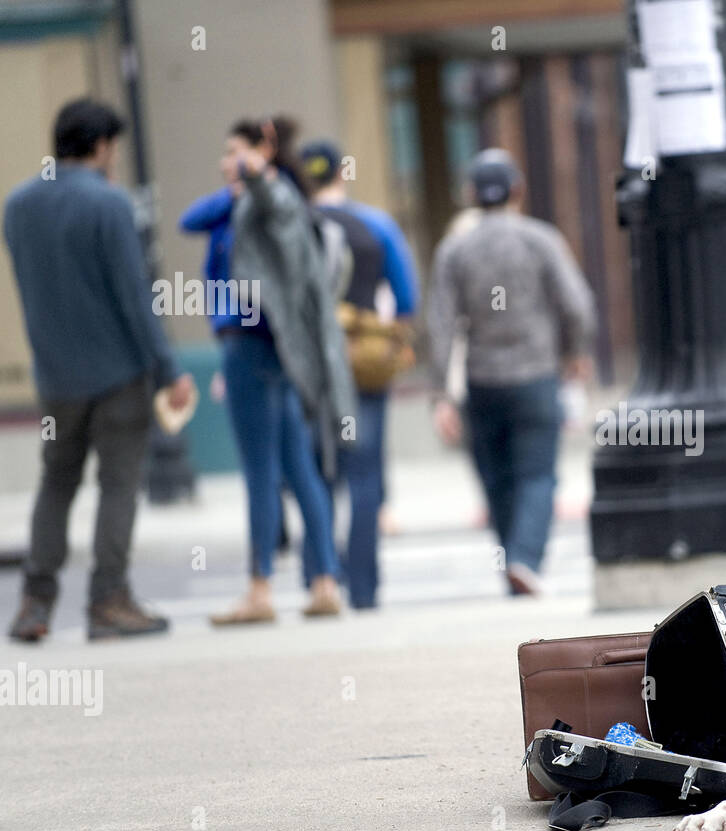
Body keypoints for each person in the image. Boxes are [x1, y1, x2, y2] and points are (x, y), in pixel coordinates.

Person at [4, 98, 195, 642]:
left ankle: (34, 603)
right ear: (103, 146)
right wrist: (168, 371)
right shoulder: (109, 205)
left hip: (54, 379)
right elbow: (134, 299)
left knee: (56, 481)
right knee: (118, 485)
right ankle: (108, 600)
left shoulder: (18, 204)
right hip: (117, 377)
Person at [204, 118, 355, 624]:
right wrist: (246, 179)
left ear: (262, 151)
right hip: (281, 354)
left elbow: (270, 205)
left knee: (261, 471)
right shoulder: (261, 198)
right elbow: (191, 218)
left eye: (234, 151)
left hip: (251, 349)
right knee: (298, 467)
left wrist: (254, 176)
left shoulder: (269, 196)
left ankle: (260, 587)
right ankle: (325, 581)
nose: (228, 161)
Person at [427, 149, 595, 596]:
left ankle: (511, 558)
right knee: (538, 473)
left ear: (470, 195)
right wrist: (574, 352)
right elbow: (576, 305)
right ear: (518, 191)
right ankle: (524, 558)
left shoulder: (454, 250)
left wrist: (439, 393)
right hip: (537, 375)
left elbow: (441, 326)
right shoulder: (540, 240)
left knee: (496, 476)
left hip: (482, 382)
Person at [298, 139, 419, 609]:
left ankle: (320, 578)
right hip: (363, 366)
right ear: (341, 175)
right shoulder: (375, 225)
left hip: (309, 367)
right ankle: (365, 587)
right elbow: (406, 298)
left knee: (313, 472)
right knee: (365, 475)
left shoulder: (293, 227)